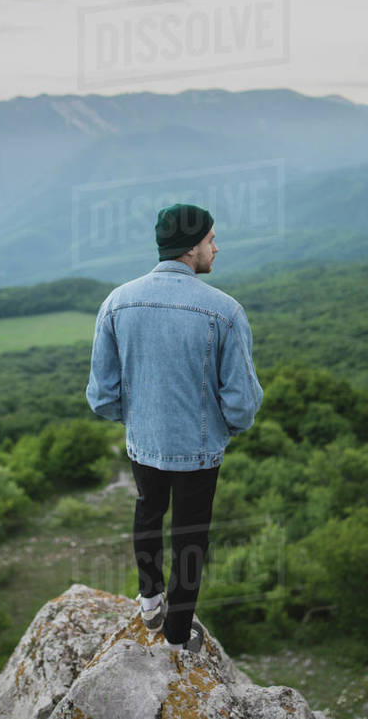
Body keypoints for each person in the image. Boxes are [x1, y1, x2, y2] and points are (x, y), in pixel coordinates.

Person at [85, 202, 264, 653]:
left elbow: (102, 396)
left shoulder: (117, 302)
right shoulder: (224, 311)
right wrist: (227, 427)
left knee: (148, 510)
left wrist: (140, 416)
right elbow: (241, 403)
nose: (216, 249)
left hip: (144, 442)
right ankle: (179, 638)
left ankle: (149, 600)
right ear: (191, 249)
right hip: (200, 449)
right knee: (191, 535)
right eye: (211, 240)